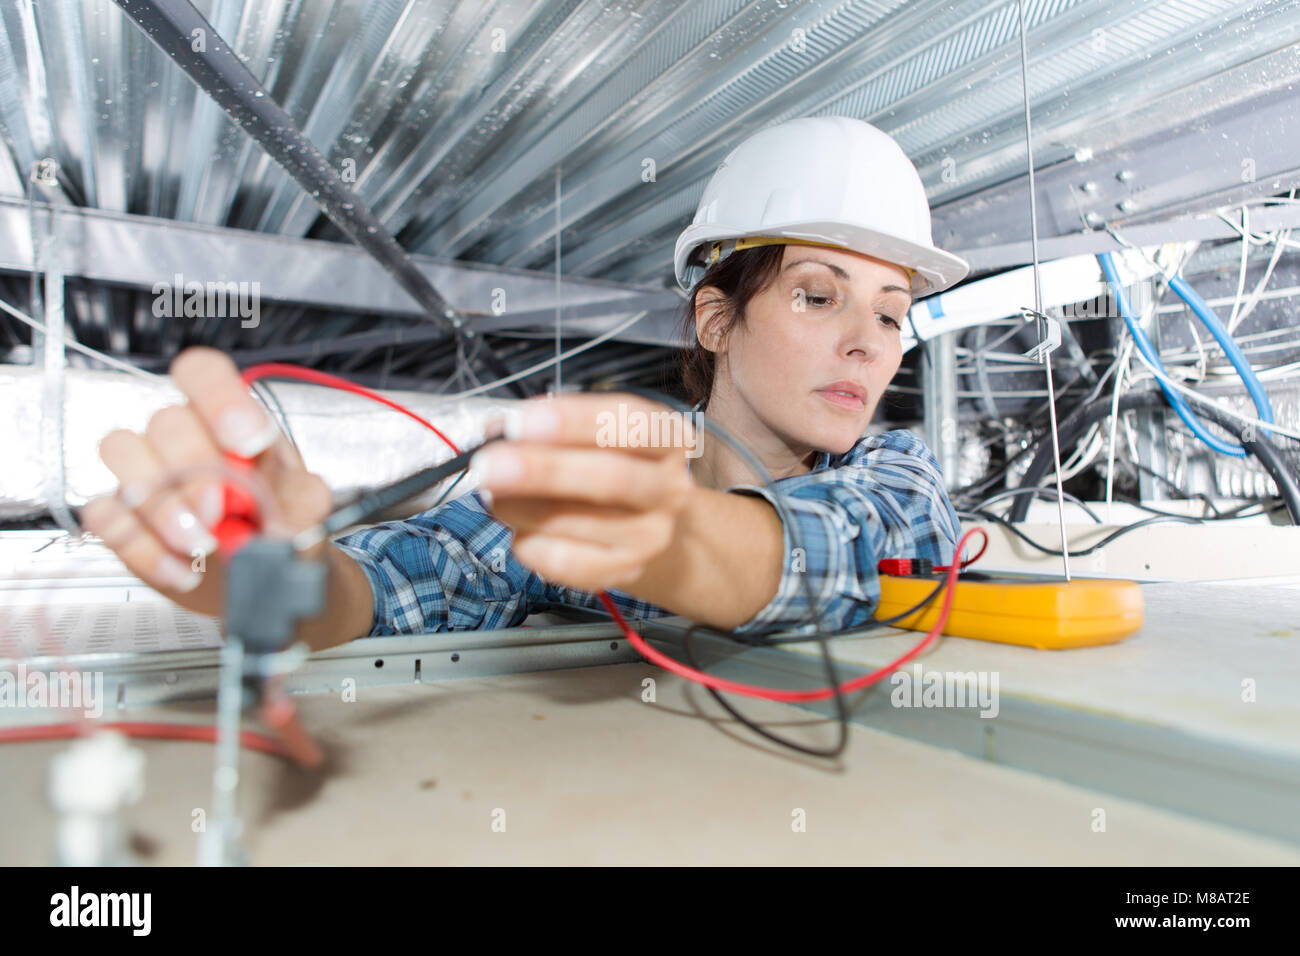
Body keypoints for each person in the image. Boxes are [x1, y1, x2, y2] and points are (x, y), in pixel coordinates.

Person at [80, 116, 970, 650]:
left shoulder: (894, 477)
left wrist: (672, 544)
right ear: (715, 320)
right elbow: (416, 577)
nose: (867, 343)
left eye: (891, 314)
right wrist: (290, 581)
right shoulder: (589, 476)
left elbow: (884, 538)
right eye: (819, 296)